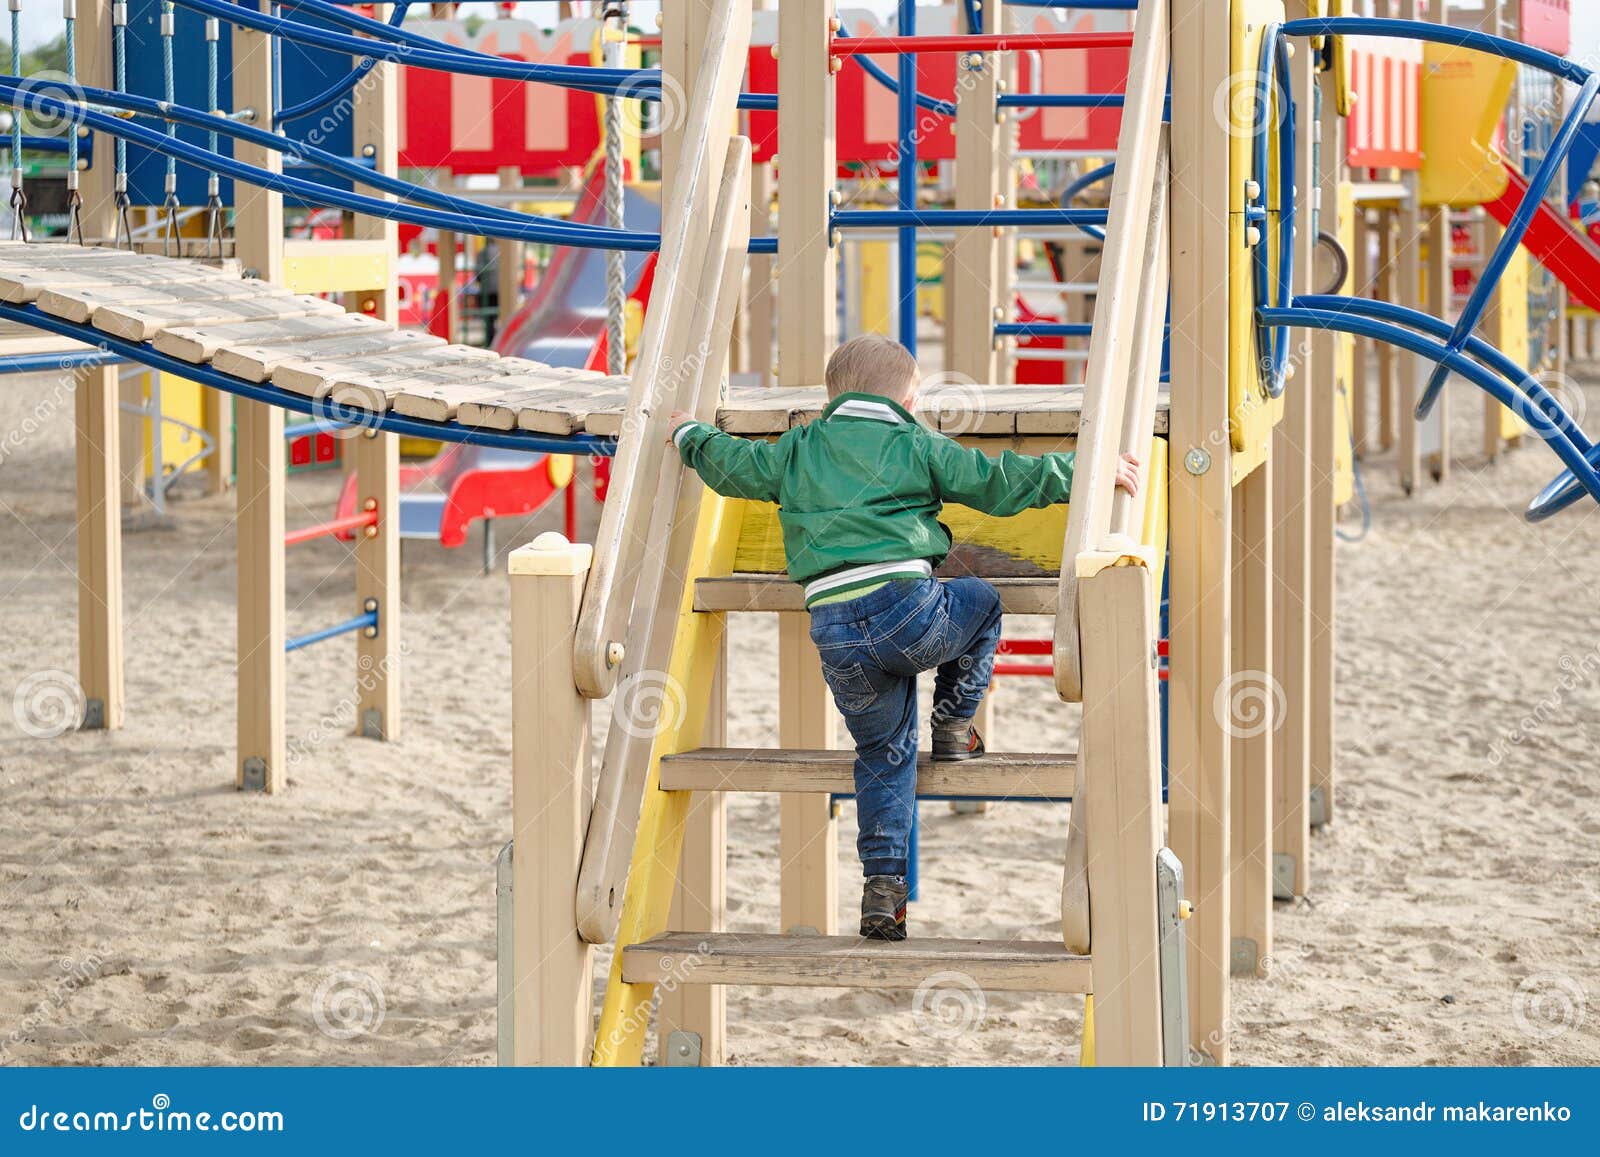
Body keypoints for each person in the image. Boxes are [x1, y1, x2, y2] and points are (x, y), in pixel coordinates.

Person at [668, 334, 1139, 940]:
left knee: (883, 753)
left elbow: (733, 465)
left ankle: (883, 891)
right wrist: (1081, 472)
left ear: (830, 396)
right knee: (983, 604)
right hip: (906, 612)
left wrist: (688, 435)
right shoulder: (914, 443)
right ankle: (952, 724)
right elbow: (997, 483)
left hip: (835, 632)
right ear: (909, 399)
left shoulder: (797, 449)